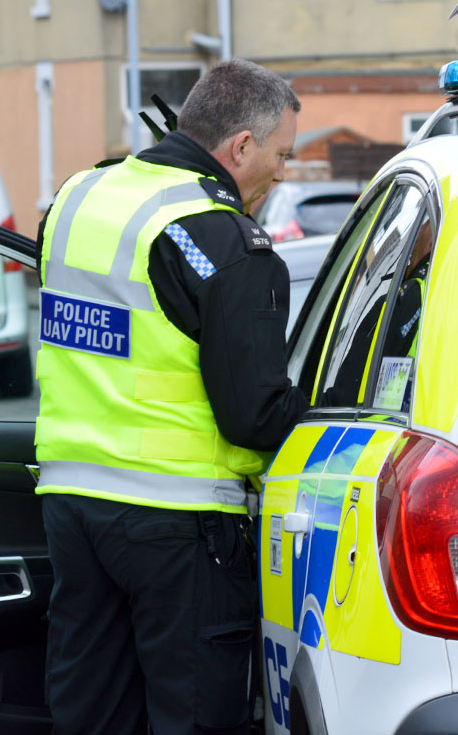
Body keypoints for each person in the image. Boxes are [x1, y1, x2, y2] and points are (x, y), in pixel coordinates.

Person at [33, 59, 307, 735]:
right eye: (281, 155)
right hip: (177, 521)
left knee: (91, 710)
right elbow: (254, 418)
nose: (283, 173)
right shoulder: (225, 240)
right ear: (241, 147)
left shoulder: (78, 195)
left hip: (73, 505)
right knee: (192, 718)